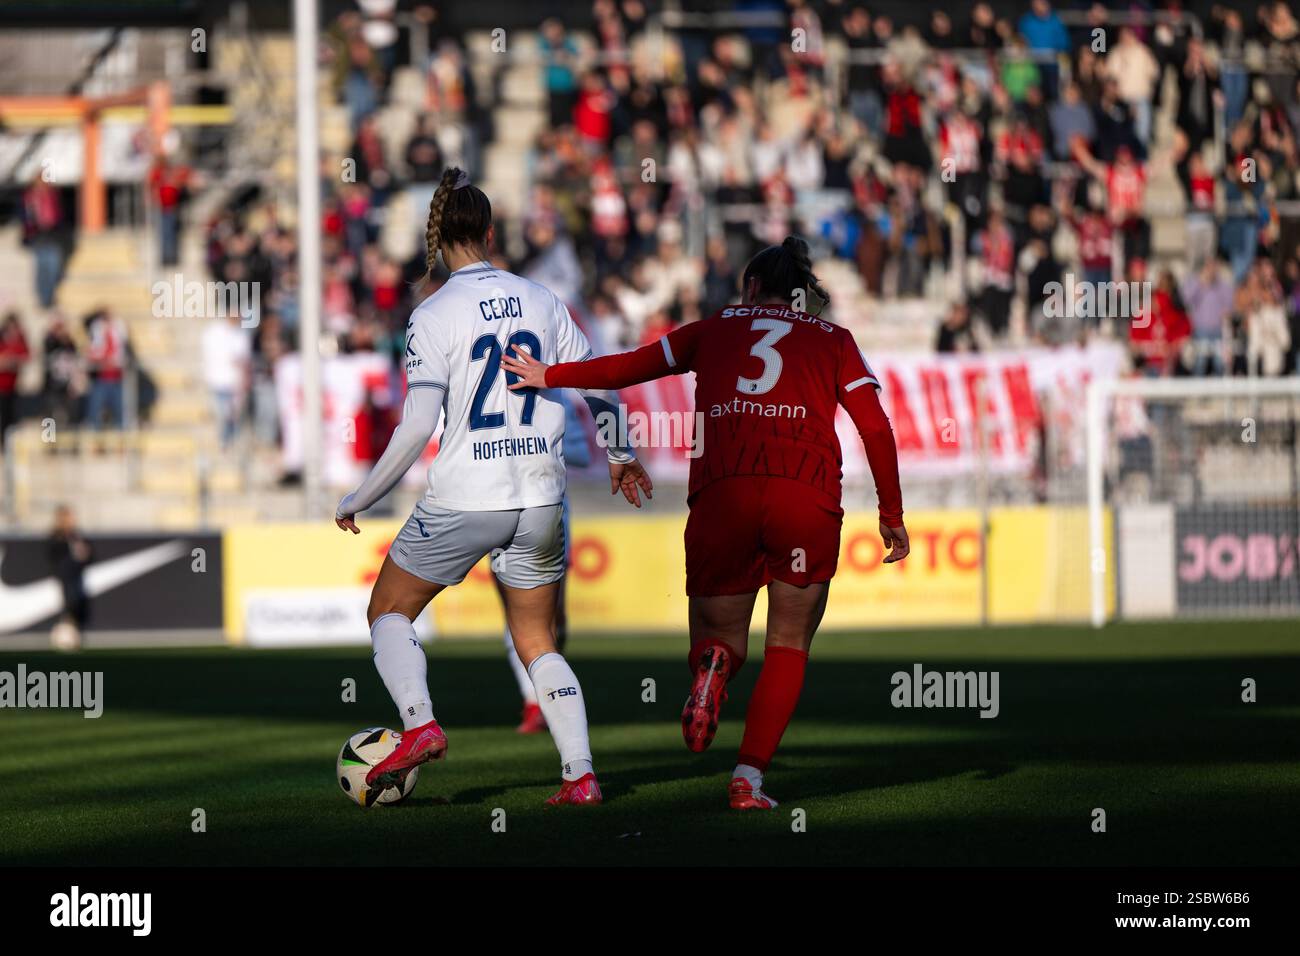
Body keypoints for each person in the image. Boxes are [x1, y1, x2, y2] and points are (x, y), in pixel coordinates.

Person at [503, 236, 909, 810]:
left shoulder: (713, 327)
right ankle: (747, 780)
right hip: (805, 494)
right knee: (789, 644)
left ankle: (712, 667)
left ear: (749, 287)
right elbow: (876, 429)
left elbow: (626, 368)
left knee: (719, 637)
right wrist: (890, 514)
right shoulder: (835, 340)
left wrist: (550, 374)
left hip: (725, 492)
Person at [334, 167, 652, 805]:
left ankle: (420, 724)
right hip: (539, 493)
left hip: (466, 497)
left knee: (389, 612)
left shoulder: (431, 315)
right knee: (537, 640)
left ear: (439, 241)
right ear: (489, 232)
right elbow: (598, 383)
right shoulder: (541, 298)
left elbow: (418, 424)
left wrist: (359, 497)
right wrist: (620, 453)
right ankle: (582, 776)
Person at [48, 505, 91, 651]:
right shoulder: (56, 537)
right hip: (62, 580)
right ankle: (64, 638)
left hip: (76, 578)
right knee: (66, 608)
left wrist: (84, 555)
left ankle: (74, 637)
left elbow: (89, 555)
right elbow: (53, 556)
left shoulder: (77, 536)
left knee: (76, 607)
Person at [0, 313, 30, 452]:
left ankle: (8, 446)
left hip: (12, 387)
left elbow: (27, 356)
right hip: (2, 386)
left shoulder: (20, 340)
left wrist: (13, 361)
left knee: (11, 418)